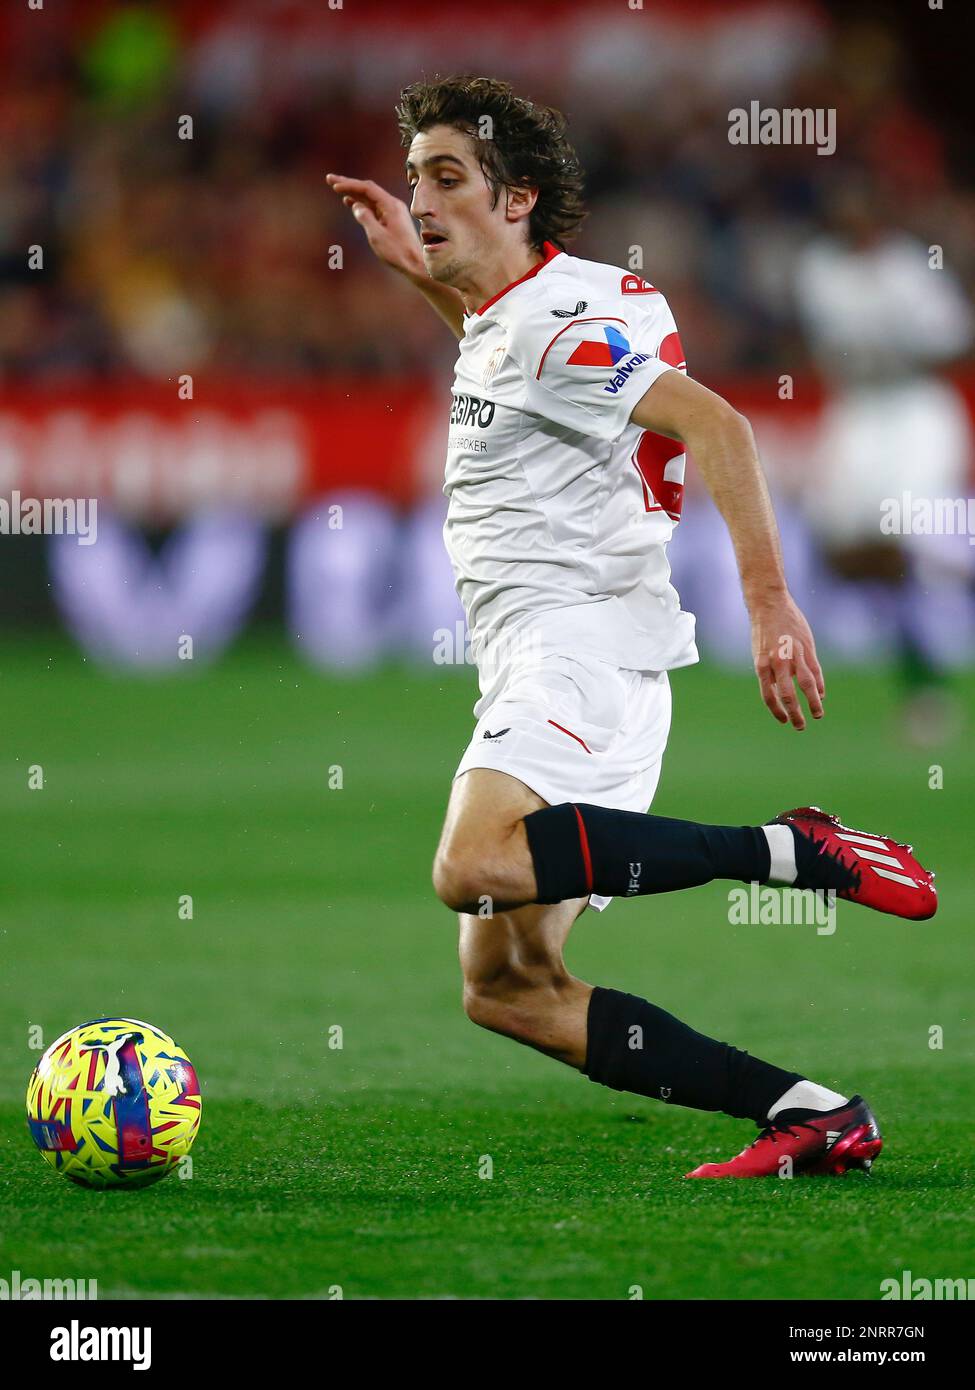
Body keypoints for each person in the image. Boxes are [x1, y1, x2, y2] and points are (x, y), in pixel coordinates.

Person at [327, 76, 935, 1178]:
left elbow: (718, 424)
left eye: (448, 177)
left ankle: (791, 850)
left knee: (470, 864)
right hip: (561, 656)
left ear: (516, 199)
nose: (421, 196)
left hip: (581, 653)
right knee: (507, 990)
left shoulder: (552, 331)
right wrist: (425, 281)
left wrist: (768, 602)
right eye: (416, 175)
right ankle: (812, 1113)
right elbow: (520, 363)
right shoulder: (538, 311)